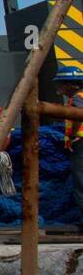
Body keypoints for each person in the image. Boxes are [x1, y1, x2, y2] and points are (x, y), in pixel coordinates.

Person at [55, 66, 83, 211]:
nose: (58, 87)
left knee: (80, 184)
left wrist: (72, 135)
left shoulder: (77, 98)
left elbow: (78, 114)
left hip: (80, 144)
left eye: (60, 83)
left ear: (70, 84)